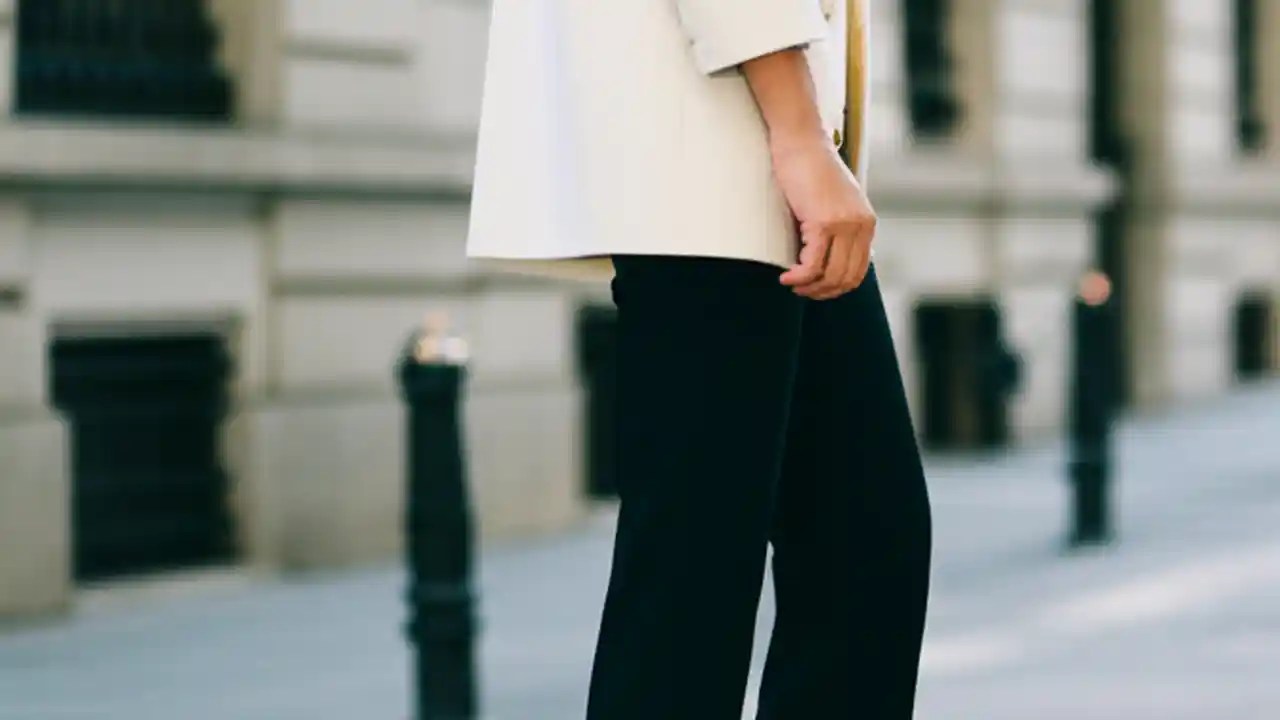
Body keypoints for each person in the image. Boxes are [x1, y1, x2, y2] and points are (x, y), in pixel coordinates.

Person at [468, 1, 932, 717]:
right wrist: (800, 136)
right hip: (713, 134)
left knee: (860, 537)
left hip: (746, 137)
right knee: (696, 584)